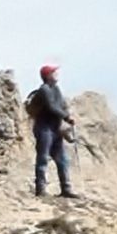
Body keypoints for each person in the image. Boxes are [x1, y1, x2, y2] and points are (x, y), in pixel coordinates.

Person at [32, 64, 79, 198]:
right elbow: (52, 107)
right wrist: (67, 117)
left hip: (55, 128)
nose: (56, 74)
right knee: (43, 158)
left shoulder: (56, 89)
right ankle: (40, 188)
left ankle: (66, 188)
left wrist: (67, 115)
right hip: (44, 128)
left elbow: (61, 105)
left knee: (62, 159)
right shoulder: (44, 90)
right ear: (47, 76)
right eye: (53, 72)